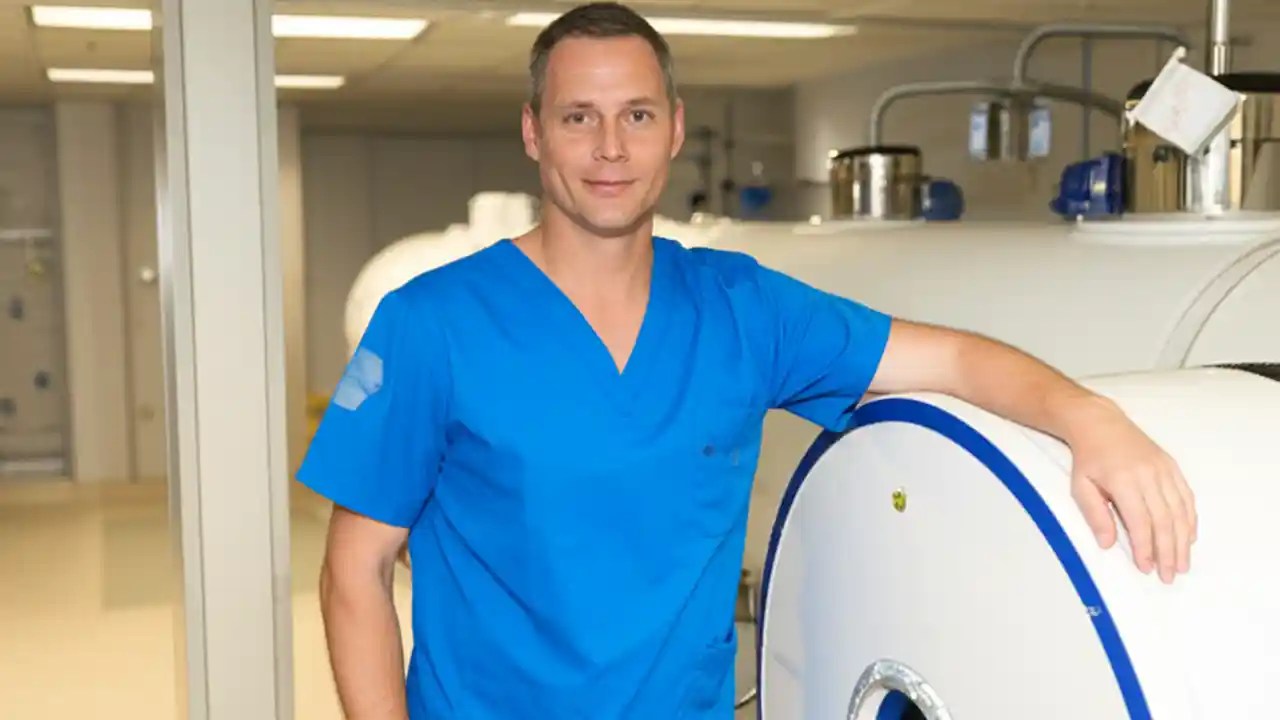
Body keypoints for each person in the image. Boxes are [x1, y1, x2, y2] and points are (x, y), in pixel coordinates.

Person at [297, 3, 1197, 718]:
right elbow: (355, 572)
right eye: (579, 117)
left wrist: (1089, 417)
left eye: (637, 115)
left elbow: (954, 360)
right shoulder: (432, 324)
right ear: (534, 132)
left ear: (674, 128)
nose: (610, 148)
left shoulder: (742, 309)